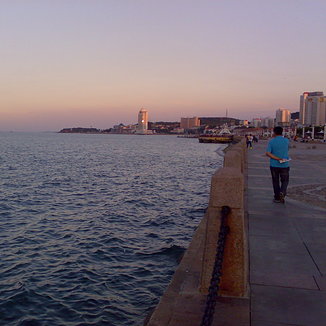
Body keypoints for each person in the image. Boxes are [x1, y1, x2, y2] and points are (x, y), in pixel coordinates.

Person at [265, 126, 290, 203]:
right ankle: (282, 191)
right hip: (285, 164)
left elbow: (268, 153)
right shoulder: (286, 140)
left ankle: (277, 197)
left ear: (274, 132)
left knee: (275, 181)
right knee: (285, 180)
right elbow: (287, 149)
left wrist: (277, 158)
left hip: (274, 165)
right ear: (282, 132)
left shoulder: (271, 141)